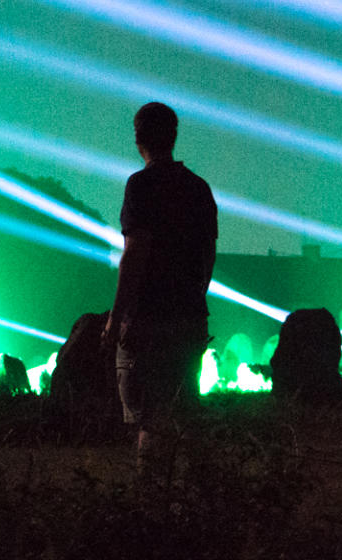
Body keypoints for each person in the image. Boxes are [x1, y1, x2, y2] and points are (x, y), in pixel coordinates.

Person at [103, 101, 218, 479]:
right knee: (186, 413)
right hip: (189, 319)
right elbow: (207, 259)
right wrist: (194, 299)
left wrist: (117, 317)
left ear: (138, 137)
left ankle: (149, 512)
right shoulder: (199, 189)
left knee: (149, 419)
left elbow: (135, 255)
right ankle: (201, 506)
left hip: (149, 322)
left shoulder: (142, 185)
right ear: (174, 136)